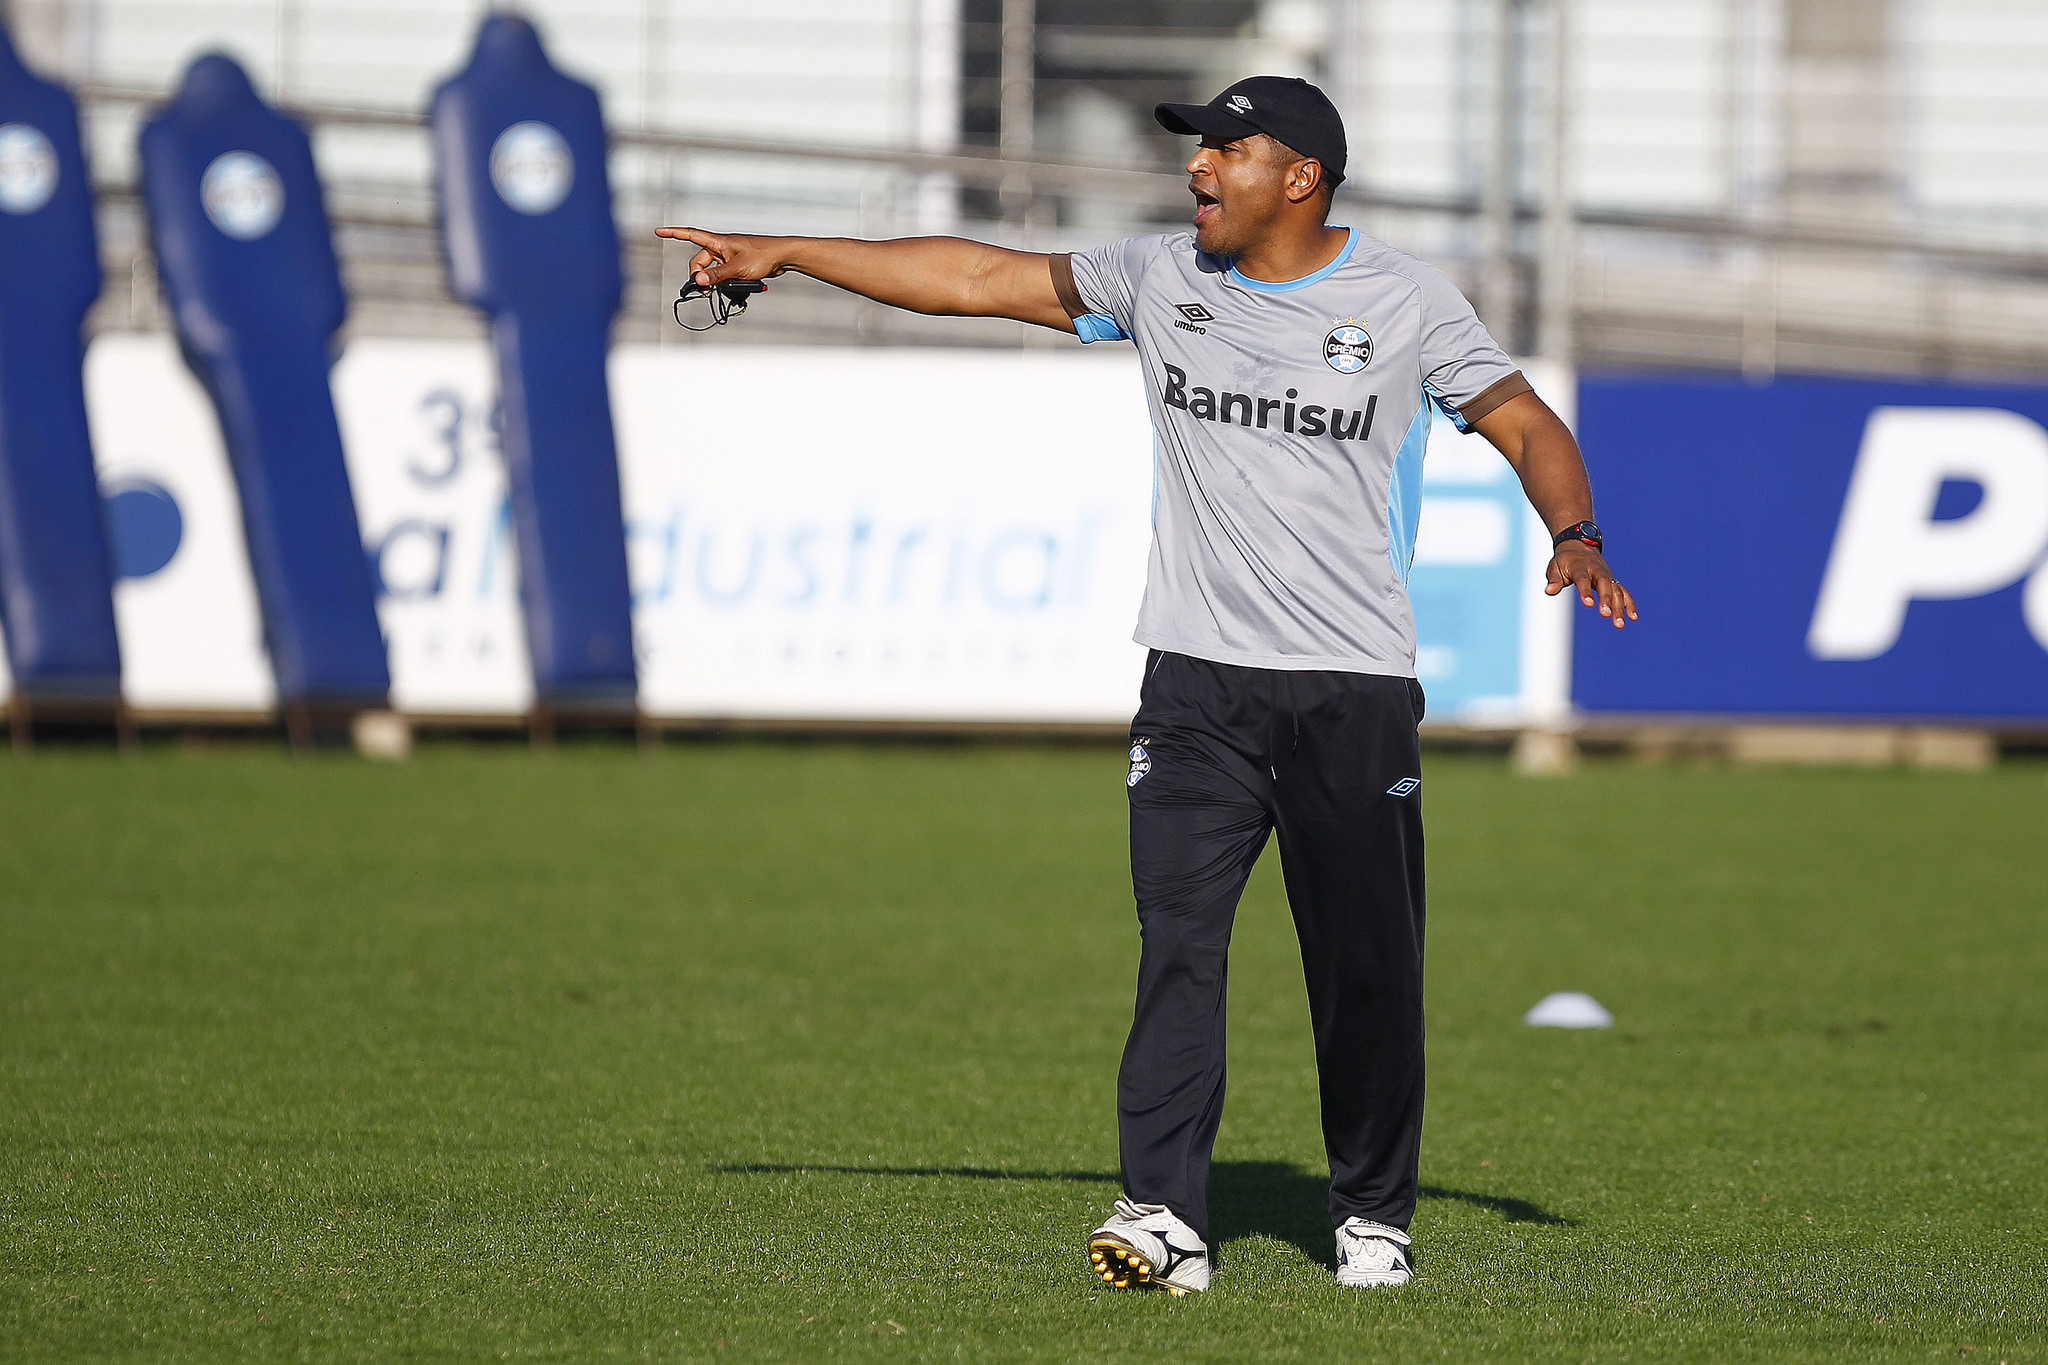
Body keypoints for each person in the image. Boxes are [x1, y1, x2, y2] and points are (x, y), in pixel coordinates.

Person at [658, 75, 1636, 1296]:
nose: (1198, 167)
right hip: (1193, 692)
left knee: (1365, 971)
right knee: (1177, 949)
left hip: (1348, 692)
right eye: (1197, 147)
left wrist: (1575, 530)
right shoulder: (1164, 279)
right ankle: (1162, 1211)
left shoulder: (1405, 302)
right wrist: (791, 251)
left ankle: (1372, 1213)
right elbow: (974, 277)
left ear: (1301, 177)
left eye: (1228, 148)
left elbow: (1525, 421)